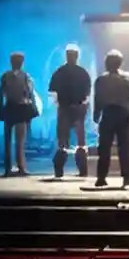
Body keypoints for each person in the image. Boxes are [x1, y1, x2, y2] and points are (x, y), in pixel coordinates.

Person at [93, 49, 129, 187]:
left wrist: (96, 113)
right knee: (125, 148)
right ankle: (127, 177)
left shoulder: (101, 80)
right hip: (123, 114)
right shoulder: (127, 78)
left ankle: (101, 177)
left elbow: (98, 98)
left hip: (108, 113)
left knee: (104, 148)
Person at [49, 43, 92, 178]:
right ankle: (82, 170)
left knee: (62, 141)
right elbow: (87, 93)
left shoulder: (59, 72)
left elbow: (52, 91)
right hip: (78, 108)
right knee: (80, 141)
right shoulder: (83, 72)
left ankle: (59, 170)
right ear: (77, 56)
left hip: (64, 108)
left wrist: (58, 105)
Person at [0, 51, 38, 176]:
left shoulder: (6, 76)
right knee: (18, 140)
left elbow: (1, 95)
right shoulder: (26, 76)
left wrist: (0, 110)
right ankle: (18, 167)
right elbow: (30, 94)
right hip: (19, 108)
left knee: (11, 140)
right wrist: (33, 108)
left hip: (12, 108)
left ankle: (10, 167)